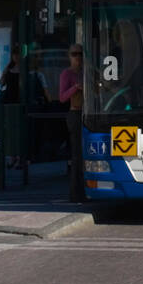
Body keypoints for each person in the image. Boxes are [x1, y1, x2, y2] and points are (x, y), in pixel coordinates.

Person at [59, 45, 85, 202]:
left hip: (87, 113)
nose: (78, 57)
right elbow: (62, 97)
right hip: (75, 113)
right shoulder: (67, 74)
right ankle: (75, 193)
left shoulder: (86, 72)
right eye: (74, 54)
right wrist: (76, 87)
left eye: (80, 54)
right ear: (69, 56)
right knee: (77, 154)